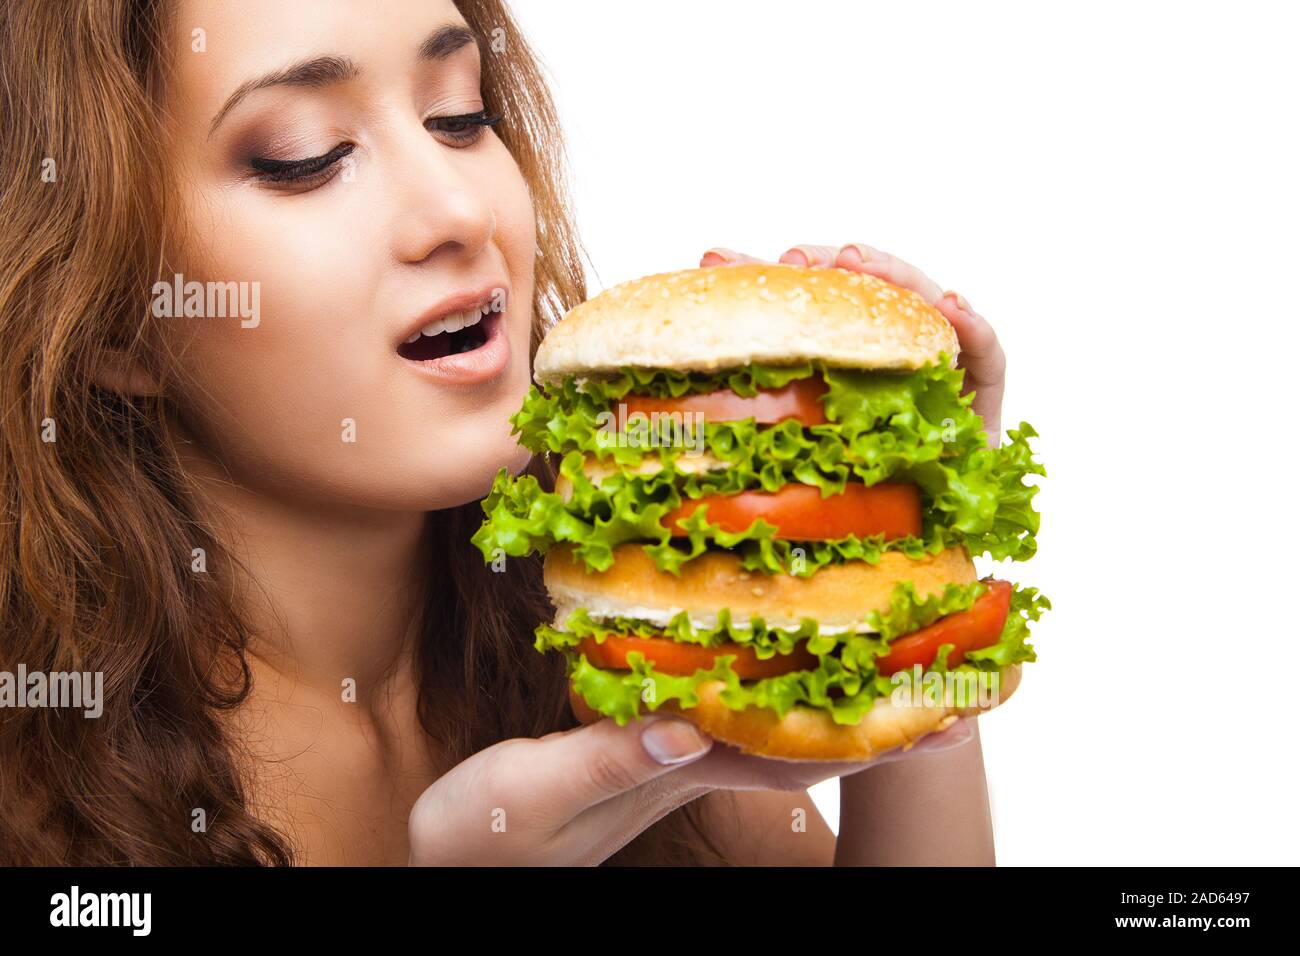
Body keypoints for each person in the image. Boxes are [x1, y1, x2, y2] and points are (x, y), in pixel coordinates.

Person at [0, 0, 1007, 866]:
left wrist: (905, 575)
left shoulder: (640, 659)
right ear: (111, 322)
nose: (455, 209)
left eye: (458, 114)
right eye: (304, 158)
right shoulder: (37, 787)